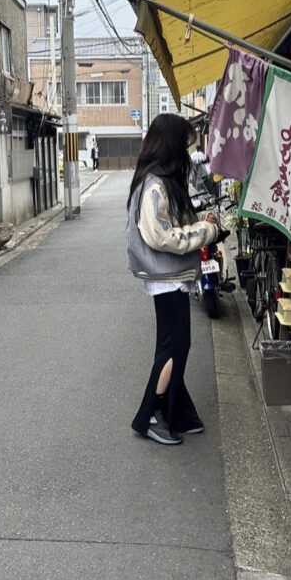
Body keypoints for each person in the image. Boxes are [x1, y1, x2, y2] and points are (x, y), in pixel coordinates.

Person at [127, 113, 220, 445]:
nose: (186, 149)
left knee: (172, 343)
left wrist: (199, 220)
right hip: (166, 274)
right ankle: (152, 415)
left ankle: (178, 412)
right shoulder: (154, 184)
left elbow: (172, 224)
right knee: (175, 344)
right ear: (171, 145)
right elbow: (163, 236)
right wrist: (207, 230)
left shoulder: (159, 179)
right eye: (182, 143)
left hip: (169, 274)